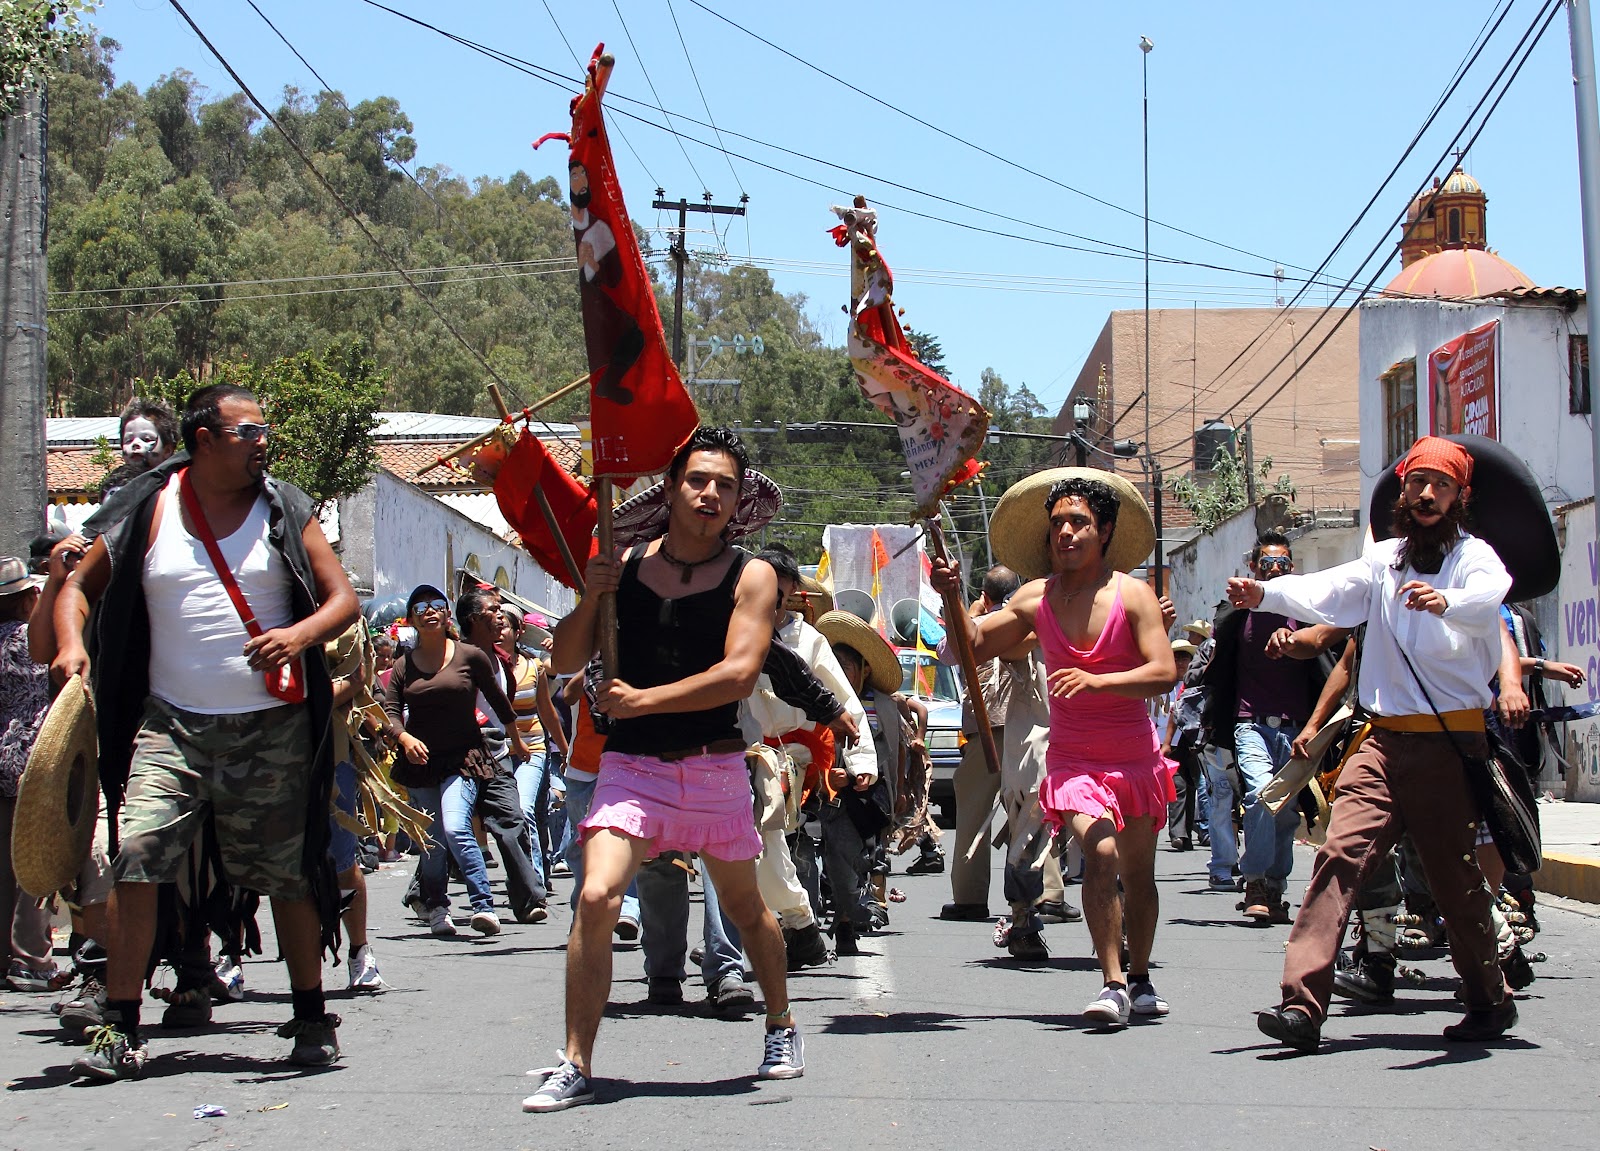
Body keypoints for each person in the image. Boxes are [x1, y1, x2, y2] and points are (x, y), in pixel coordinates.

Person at [53, 383, 360, 1079]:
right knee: (137, 853)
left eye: (263, 432)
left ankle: (311, 1016)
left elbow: (342, 599)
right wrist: (74, 644)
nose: (262, 443)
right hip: (171, 727)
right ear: (204, 439)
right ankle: (120, 1024)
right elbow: (77, 588)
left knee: (287, 872)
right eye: (247, 432)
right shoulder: (147, 509)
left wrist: (297, 634)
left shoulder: (284, 507)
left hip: (271, 728)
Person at [525, 427, 802, 1114]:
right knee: (594, 897)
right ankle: (575, 1061)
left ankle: (782, 1024)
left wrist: (643, 699)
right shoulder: (622, 564)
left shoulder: (753, 574)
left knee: (744, 907)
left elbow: (739, 675)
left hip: (712, 770)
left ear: (738, 501)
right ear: (672, 488)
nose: (710, 494)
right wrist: (592, 595)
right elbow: (562, 659)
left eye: (725, 485)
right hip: (631, 768)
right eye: (697, 480)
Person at [1231, 436, 1520, 1051]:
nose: (1425, 495)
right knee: (1338, 856)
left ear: (1458, 497)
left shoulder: (1475, 559)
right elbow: (1330, 591)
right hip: (1381, 744)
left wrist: (1449, 601)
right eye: (1417, 484)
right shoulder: (1385, 561)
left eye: (1440, 486)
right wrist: (1269, 595)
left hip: (1449, 745)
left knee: (1452, 879)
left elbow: (1490, 599)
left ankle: (1489, 998)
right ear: (1404, 493)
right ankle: (1302, 1005)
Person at [932, 469, 1176, 1026]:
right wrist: (952, 596)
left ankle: (1140, 977)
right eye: (1058, 523)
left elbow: (1163, 672)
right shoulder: (1035, 597)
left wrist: (1098, 682)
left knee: (1139, 875)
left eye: (1079, 523)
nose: (1065, 533)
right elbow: (971, 645)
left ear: (1105, 530)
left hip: (1135, 756)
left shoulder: (1132, 594)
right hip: (1072, 760)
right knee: (1102, 853)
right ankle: (1112, 983)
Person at [383, 585, 526, 937]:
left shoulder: (469, 656)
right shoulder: (404, 666)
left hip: (463, 758)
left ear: (447, 614)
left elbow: (500, 701)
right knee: (433, 842)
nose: (429, 611)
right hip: (421, 762)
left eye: (436, 605)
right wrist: (404, 737)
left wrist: (517, 740)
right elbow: (389, 712)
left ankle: (482, 905)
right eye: (421, 607)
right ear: (413, 619)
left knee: (456, 826)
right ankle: (437, 906)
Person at [1203, 532, 1326, 925]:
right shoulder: (1236, 615)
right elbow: (1217, 668)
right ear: (1253, 568)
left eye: (1284, 564)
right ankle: (1255, 880)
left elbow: (1329, 653)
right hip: (1249, 723)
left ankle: (1275, 886)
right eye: (1268, 564)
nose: (1275, 570)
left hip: (1296, 729)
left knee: (1287, 812)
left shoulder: (1306, 612)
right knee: (1260, 795)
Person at [456, 590, 548, 924]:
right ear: (473, 620)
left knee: (510, 819)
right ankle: (428, 894)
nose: (500, 616)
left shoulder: (501, 660)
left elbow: (502, 707)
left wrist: (515, 742)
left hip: (496, 752)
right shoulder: (455, 657)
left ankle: (528, 898)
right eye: (493, 611)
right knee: (449, 828)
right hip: (457, 752)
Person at [0, 557, 64, 993]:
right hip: (34, 757)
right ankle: (30, 958)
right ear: (28, 600)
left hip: (2, 753)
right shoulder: (33, 640)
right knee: (32, 865)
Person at [1159, 639, 1201, 851]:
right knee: (1178, 786)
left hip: (1190, 742)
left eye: (1185, 658)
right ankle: (1178, 833)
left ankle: (1185, 834)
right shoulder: (1161, 684)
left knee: (1190, 784)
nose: (1181, 663)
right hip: (1166, 743)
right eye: (1176, 658)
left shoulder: (1193, 686)